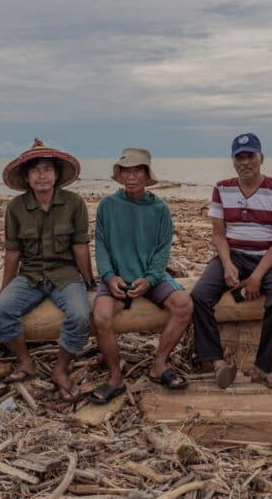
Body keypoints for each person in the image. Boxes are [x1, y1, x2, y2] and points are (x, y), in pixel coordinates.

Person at [0, 139, 96, 403]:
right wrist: (5, 288)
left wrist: (89, 281)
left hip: (65, 274)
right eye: (35, 171)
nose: (41, 175)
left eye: (47, 169)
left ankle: (60, 369)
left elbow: (80, 246)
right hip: (31, 275)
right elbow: (13, 252)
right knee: (0, 310)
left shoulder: (74, 203)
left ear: (57, 174)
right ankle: (26, 362)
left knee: (80, 315)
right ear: (27, 177)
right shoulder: (16, 207)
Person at [191, 133, 272, 389]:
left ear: (262, 157)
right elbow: (219, 234)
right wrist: (227, 264)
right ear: (233, 160)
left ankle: (262, 368)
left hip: (268, 258)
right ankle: (217, 362)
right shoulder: (221, 188)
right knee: (199, 296)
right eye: (240, 157)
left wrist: (257, 276)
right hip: (233, 255)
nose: (245, 162)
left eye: (251, 155)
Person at [89, 148, 193, 404]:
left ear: (147, 175)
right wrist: (109, 276)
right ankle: (115, 378)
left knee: (184, 305)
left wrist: (150, 279)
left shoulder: (160, 209)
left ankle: (159, 365)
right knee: (101, 317)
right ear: (120, 175)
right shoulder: (107, 206)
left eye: (138, 170)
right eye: (126, 171)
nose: (131, 176)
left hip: (151, 277)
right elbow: (100, 245)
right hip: (116, 277)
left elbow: (162, 250)